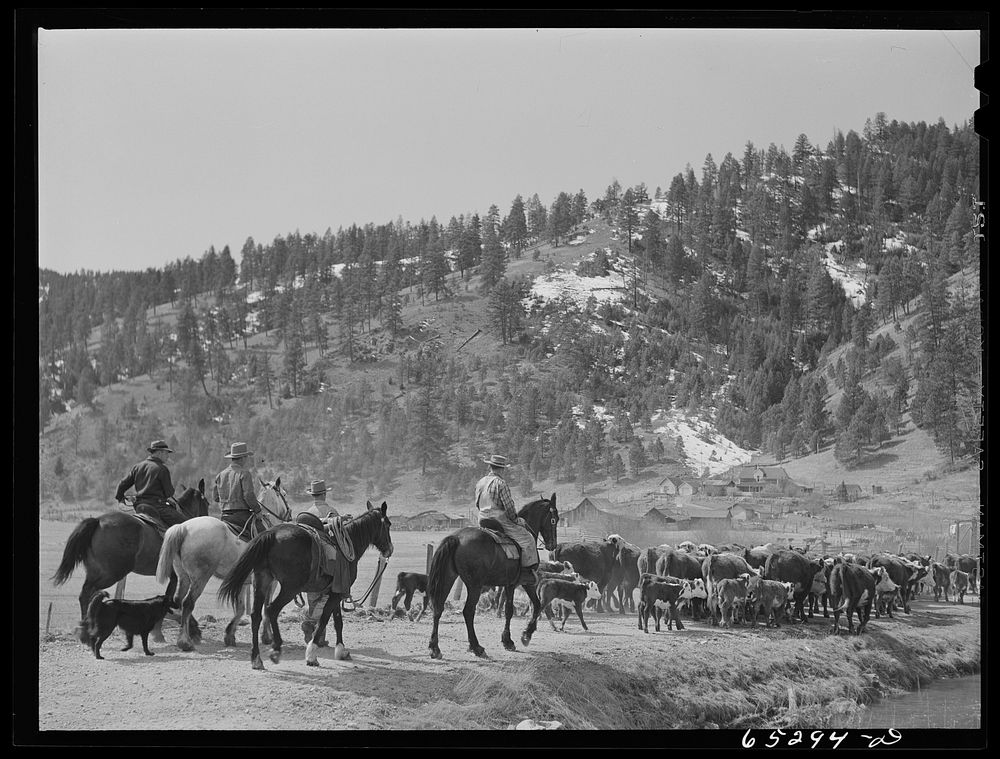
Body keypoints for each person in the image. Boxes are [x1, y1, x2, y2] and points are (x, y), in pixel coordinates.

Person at [296, 479, 355, 644]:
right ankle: (317, 634)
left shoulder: (308, 511)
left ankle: (313, 631)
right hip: (327, 553)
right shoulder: (331, 510)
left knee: (312, 597)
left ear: (313, 495)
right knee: (331, 588)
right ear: (324, 493)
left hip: (309, 554)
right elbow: (337, 533)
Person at [475, 454, 539, 583]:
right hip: (499, 520)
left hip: (482, 518)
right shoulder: (501, 483)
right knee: (528, 539)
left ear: (490, 466)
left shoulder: (480, 482)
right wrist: (516, 520)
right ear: (502, 469)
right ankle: (525, 573)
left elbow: (477, 503)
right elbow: (509, 507)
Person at [115, 440, 184, 527]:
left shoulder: (137, 467)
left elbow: (122, 484)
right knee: (184, 525)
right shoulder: (162, 469)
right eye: (166, 453)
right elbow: (169, 493)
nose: (167, 456)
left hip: (139, 506)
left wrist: (120, 498)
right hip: (157, 507)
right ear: (159, 453)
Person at [213, 442, 264, 536]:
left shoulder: (220, 475)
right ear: (243, 458)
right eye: (246, 457)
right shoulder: (244, 474)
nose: (247, 459)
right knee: (265, 537)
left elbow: (216, 497)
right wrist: (258, 511)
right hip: (242, 517)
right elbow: (248, 496)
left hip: (224, 516)